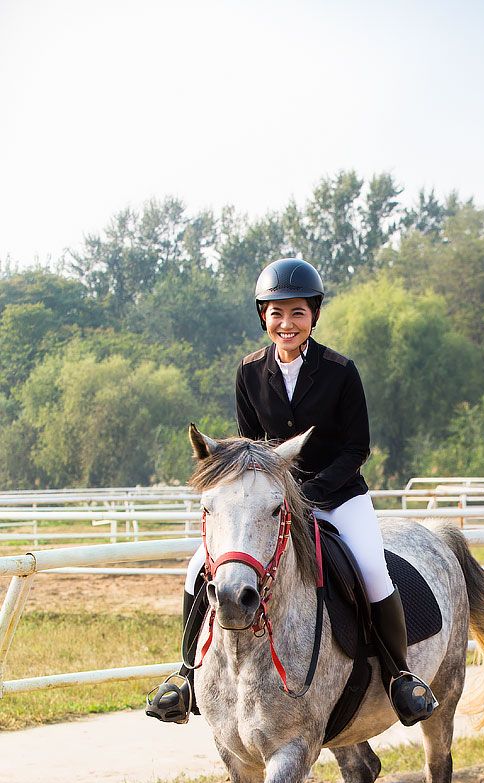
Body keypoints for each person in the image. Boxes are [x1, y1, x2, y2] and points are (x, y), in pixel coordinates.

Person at [146, 257, 439, 728]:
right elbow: (250, 451)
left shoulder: (342, 372)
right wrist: (267, 494)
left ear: (313, 316)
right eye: (277, 313)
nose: (286, 323)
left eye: (297, 313)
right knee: (199, 566)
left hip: (339, 495)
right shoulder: (248, 372)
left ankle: (401, 678)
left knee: (371, 568)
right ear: (264, 316)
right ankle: (185, 678)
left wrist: (312, 492)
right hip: (270, 501)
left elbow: (356, 447)